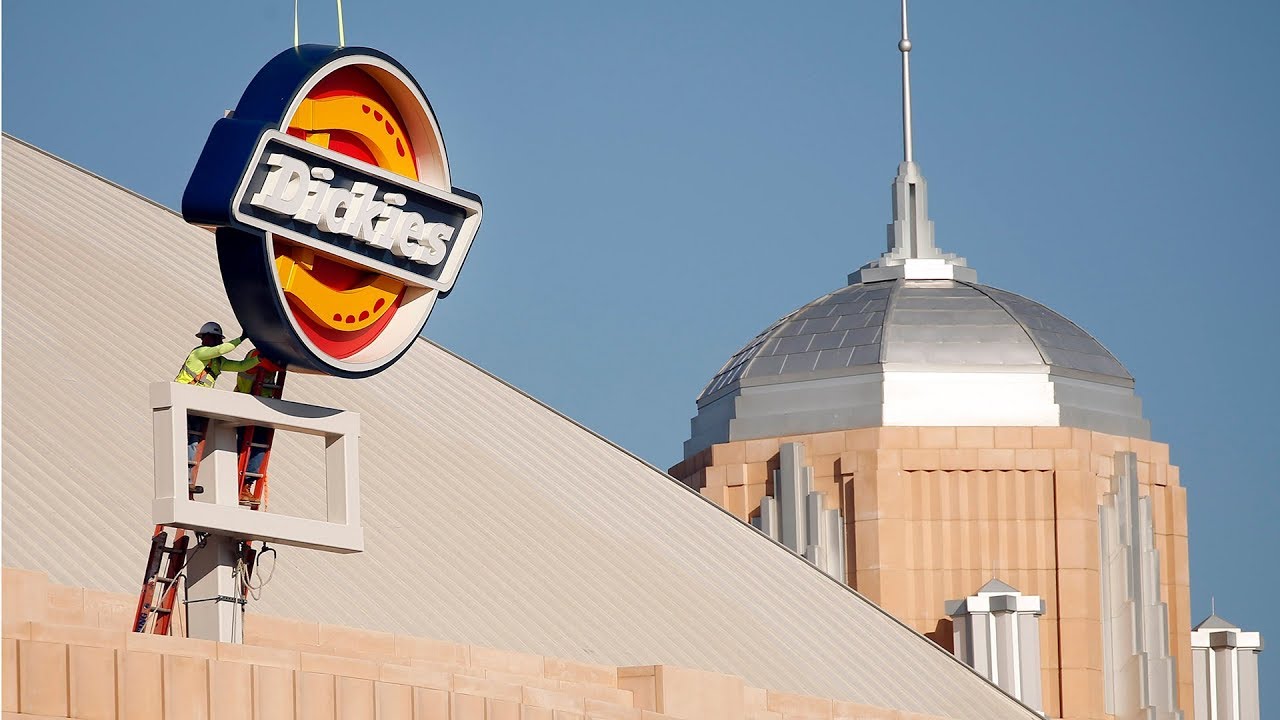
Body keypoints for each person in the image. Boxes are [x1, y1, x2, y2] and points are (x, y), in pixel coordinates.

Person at [175, 322, 261, 492]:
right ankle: (183, 479)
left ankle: (188, 481)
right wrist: (242, 339)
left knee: (193, 442)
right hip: (184, 399)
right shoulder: (199, 353)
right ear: (204, 339)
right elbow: (221, 350)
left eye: (216, 338)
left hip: (198, 403)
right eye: (212, 338)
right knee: (185, 441)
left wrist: (259, 360)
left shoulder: (217, 361)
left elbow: (240, 366)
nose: (215, 341)